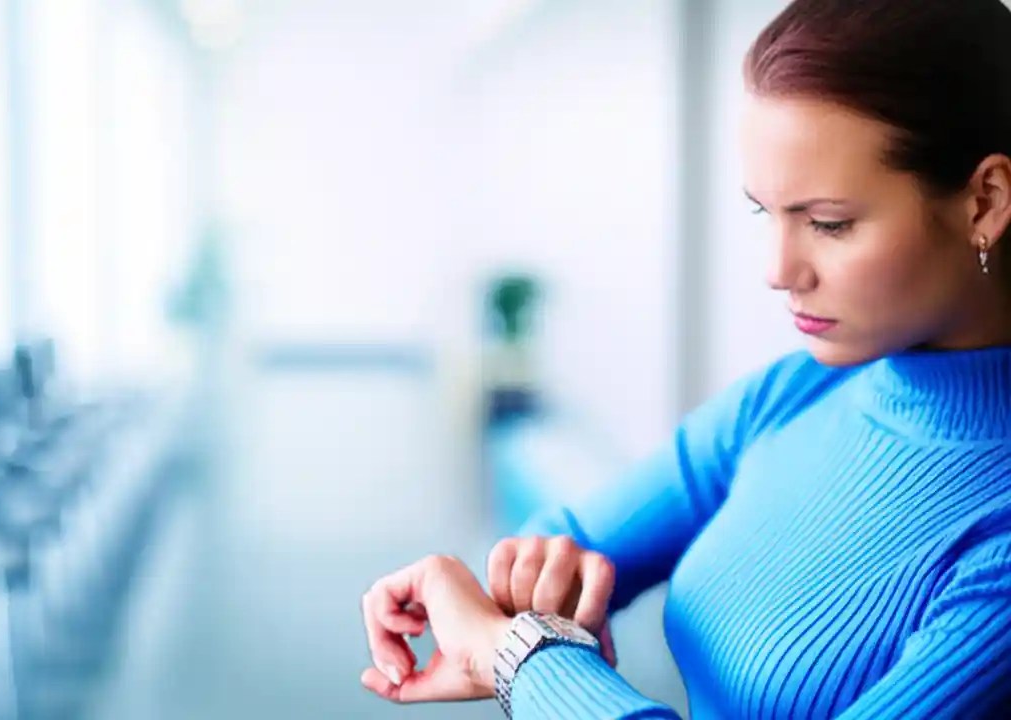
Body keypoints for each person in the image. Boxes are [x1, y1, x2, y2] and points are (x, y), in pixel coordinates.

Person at [359, 0, 1011, 717]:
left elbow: (510, 643)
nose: (777, 269)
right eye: (768, 212)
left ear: (984, 201)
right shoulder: (798, 392)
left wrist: (517, 658)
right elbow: (558, 541)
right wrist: (535, 580)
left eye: (829, 223)